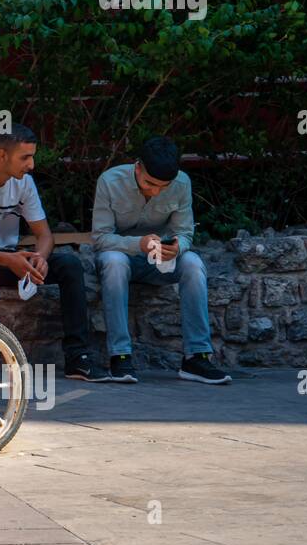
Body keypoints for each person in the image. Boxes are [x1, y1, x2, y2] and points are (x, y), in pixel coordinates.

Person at [92, 136, 231, 385]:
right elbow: (101, 238)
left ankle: (196, 357)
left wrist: (178, 247)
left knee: (193, 264)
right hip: (122, 257)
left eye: (163, 187)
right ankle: (120, 357)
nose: (155, 191)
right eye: (149, 183)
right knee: (113, 262)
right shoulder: (109, 181)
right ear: (138, 167)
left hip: (160, 259)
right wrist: (138, 244)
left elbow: (185, 233)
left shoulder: (182, 183)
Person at [0, 125, 107, 382]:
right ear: (2, 156)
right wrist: (8, 259)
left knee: (69, 265)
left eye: (32, 157)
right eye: (25, 158)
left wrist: (39, 258)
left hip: (10, 258)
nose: (31, 165)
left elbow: (45, 236)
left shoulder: (24, 183)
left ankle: (78, 358)